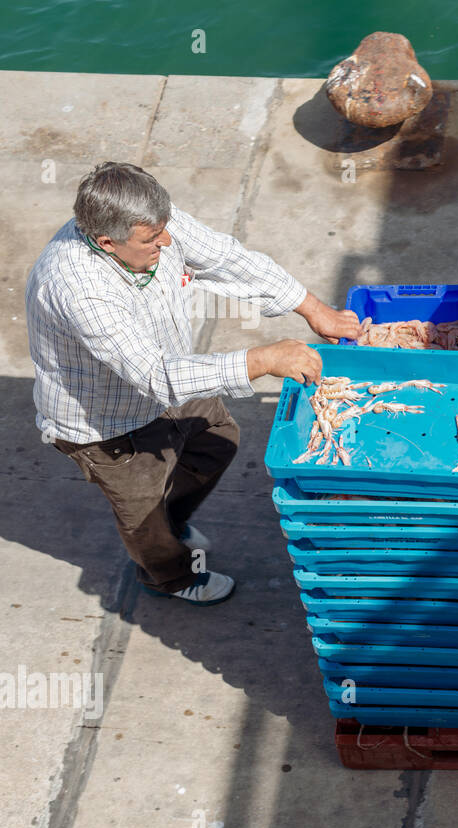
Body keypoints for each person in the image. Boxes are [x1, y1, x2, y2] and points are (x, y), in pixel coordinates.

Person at [26, 161, 360, 606]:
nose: (167, 241)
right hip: (107, 419)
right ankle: (169, 576)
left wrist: (311, 306)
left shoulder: (147, 221)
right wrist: (263, 359)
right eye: (152, 239)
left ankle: (174, 518)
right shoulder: (79, 288)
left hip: (175, 373)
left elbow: (227, 259)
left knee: (217, 441)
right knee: (141, 510)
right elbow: (153, 375)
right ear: (107, 242)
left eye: (165, 228)